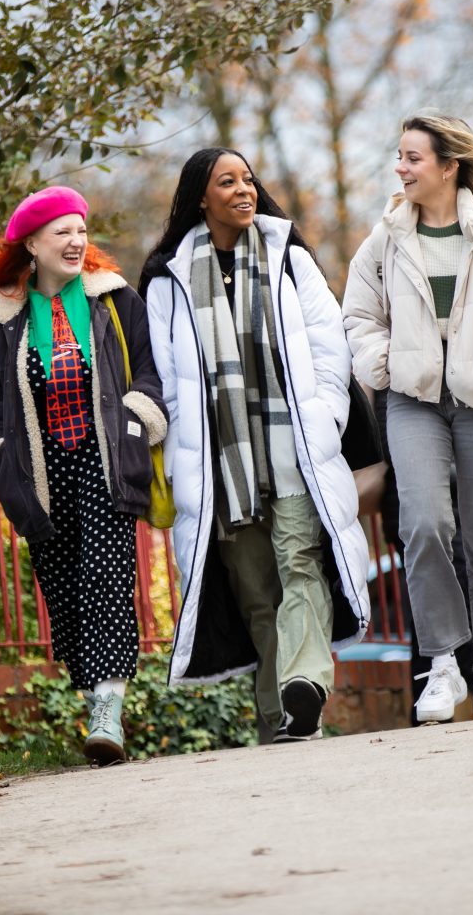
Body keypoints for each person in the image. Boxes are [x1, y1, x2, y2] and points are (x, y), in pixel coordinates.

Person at [139, 148, 370, 744]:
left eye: (248, 179)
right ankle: (282, 720)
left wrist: (323, 415)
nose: (244, 189)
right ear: (200, 197)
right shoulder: (168, 277)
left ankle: (305, 687)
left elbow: (330, 347)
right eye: (227, 181)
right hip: (220, 463)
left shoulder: (288, 255)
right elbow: (163, 374)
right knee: (255, 592)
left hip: (293, 449)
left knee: (300, 563)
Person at [0, 186, 168, 766]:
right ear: (32, 243)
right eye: (63, 232)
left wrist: (137, 420)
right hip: (39, 472)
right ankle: (94, 690)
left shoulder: (113, 300)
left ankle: (108, 708)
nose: (77, 241)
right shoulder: (0, 320)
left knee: (107, 580)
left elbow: (151, 369)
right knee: (66, 591)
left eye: (81, 230)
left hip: (105, 460)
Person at [342, 115, 473, 723]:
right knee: (423, 526)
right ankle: (444, 667)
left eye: (413, 158)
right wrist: (385, 364)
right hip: (412, 400)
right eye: (399, 156)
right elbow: (359, 317)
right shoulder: (385, 239)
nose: (401, 167)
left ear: (449, 167)